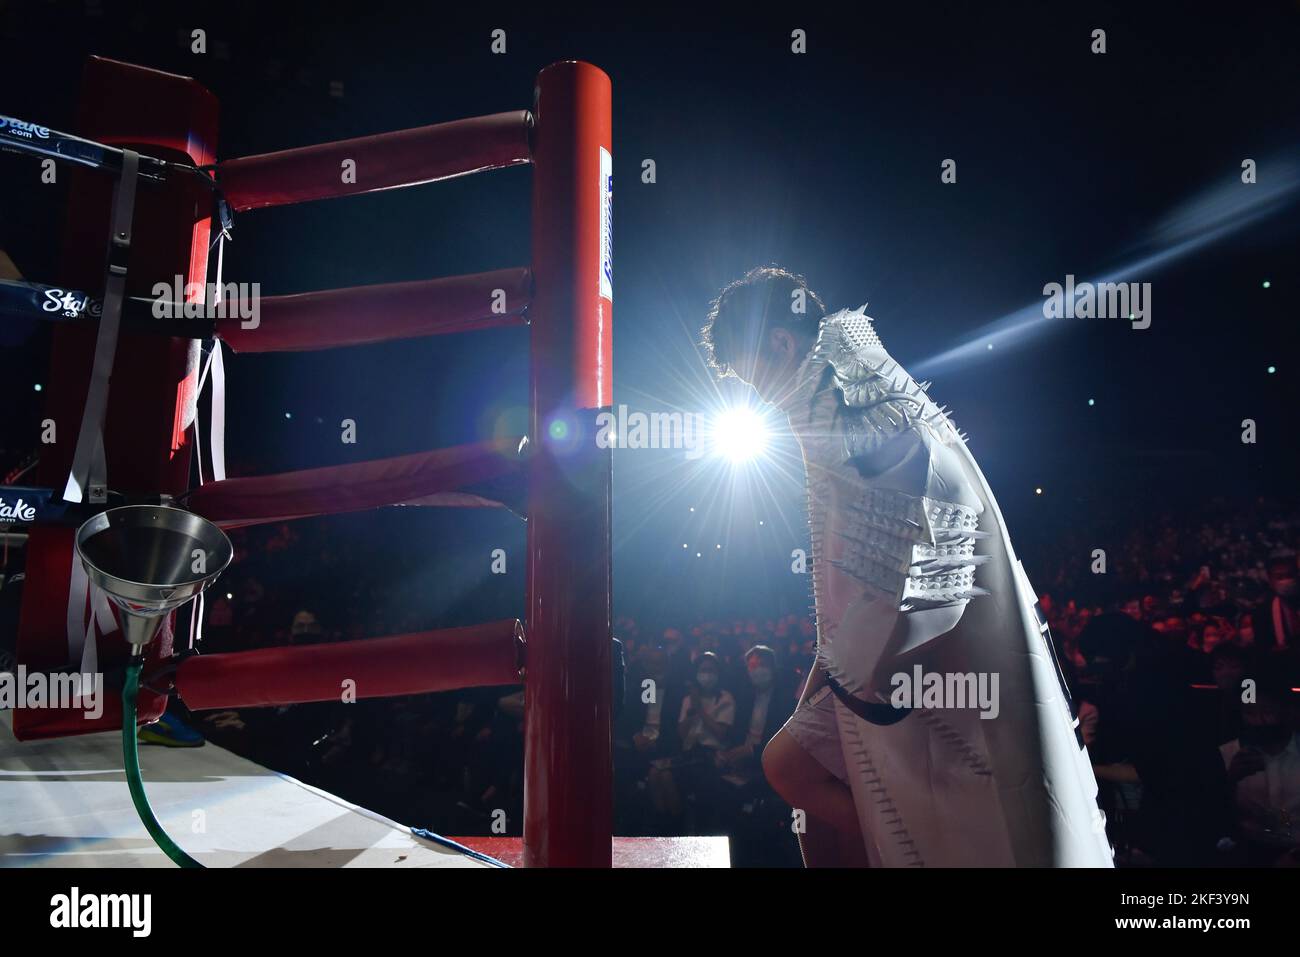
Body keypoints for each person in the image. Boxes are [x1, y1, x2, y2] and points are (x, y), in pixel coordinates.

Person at [700, 266, 1112, 867]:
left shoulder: (855, 398)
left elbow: (933, 543)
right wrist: (828, 668)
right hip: (888, 671)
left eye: (749, 375)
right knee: (800, 776)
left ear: (781, 344)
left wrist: (855, 673)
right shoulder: (847, 390)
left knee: (951, 820)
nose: (755, 393)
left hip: (928, 675)